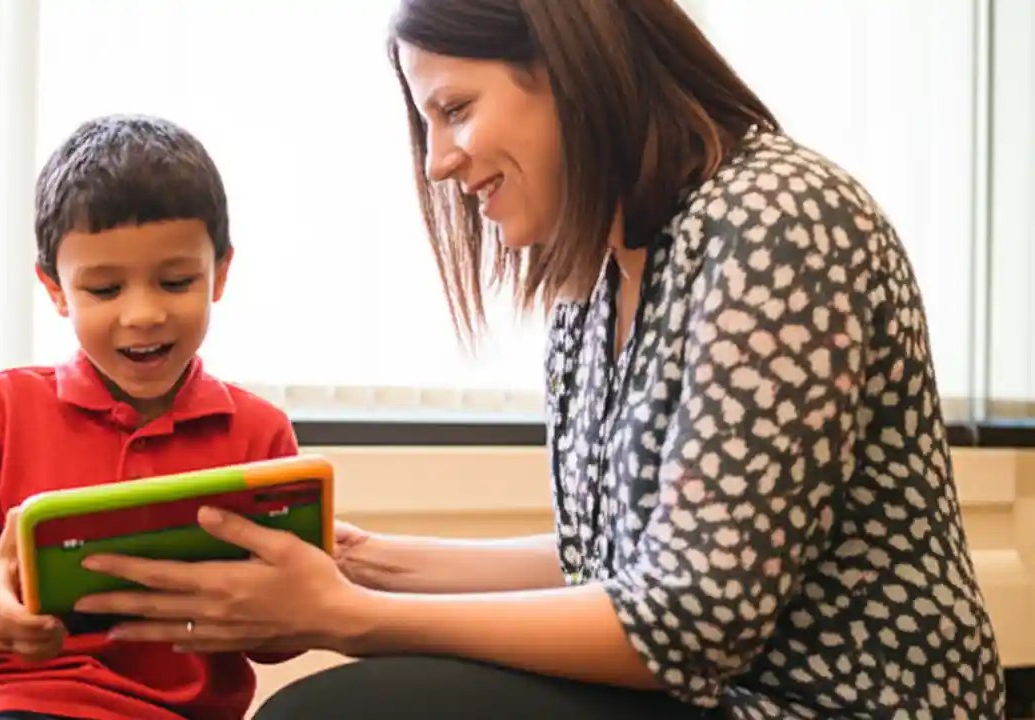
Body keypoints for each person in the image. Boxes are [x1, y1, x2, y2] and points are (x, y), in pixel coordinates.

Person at [51, 3, 1009, 720]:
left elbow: (688, 620)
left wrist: (348, 616)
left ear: (571, 62)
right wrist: (359, 562)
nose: (438, 160)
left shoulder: (777, 224)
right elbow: (606, 557)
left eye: (455, 108)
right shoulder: (594, 277)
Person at [0, 115, 301, 720]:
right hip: (21, 704)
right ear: (56, 289)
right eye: (105, 290)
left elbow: (281, 640)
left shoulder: (258, 430)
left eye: (175, 282)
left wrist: (283, 601)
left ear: (220, 273)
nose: (143, 315)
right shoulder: (4, 407)